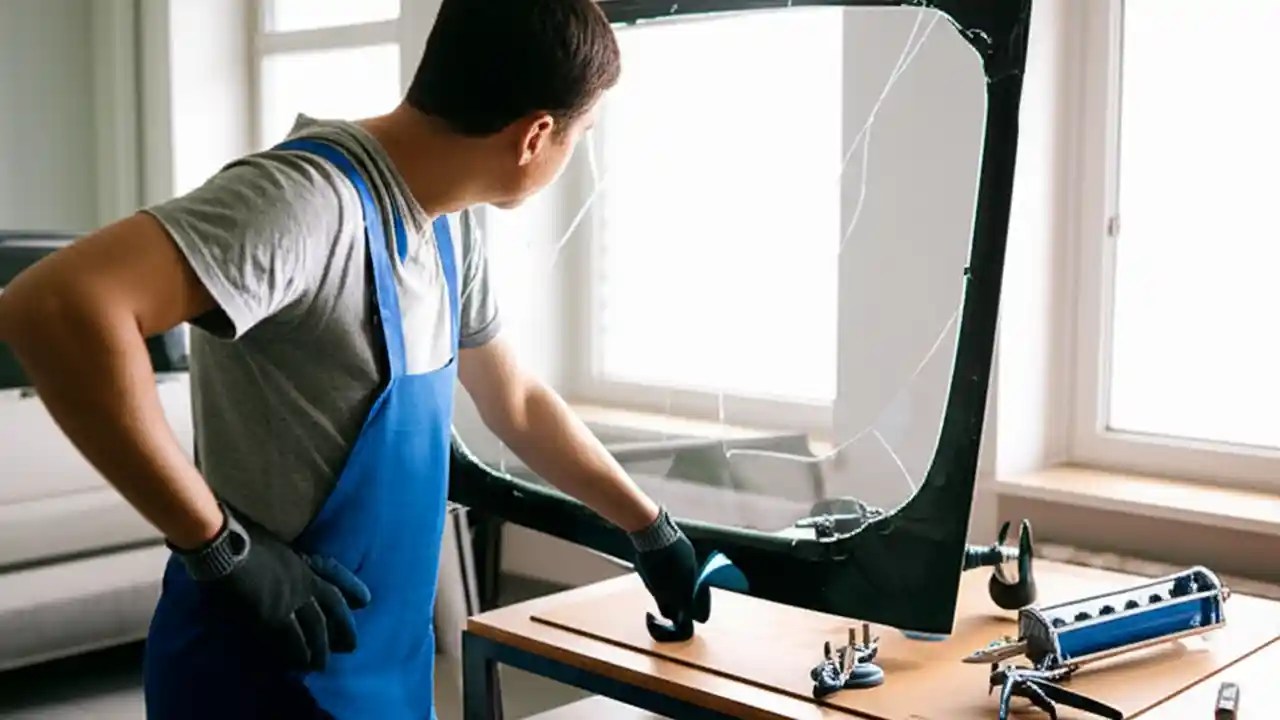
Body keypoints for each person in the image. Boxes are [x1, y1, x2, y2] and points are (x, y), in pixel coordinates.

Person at [0, 1, 700, 718]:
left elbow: (515, 401)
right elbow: (53, 308)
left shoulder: (449, 226)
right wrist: (218, 545)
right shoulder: (305, 205)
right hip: (257, 676)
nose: (574, 152)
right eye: (582, 135)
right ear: (535, 136)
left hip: (381, 671)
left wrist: (648, 527)